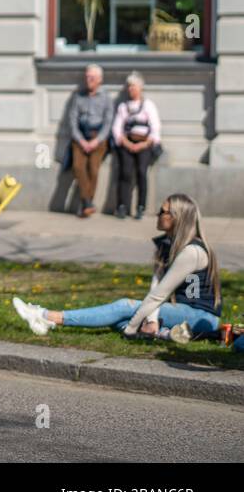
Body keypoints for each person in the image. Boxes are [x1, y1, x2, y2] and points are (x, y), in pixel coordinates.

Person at [13, 193, 221, 340]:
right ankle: (161, 333)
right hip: (180, 310)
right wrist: (152, 319)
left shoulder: (192, 251)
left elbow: (159, 295)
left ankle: (47, 317)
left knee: (124, 307)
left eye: (162, 211)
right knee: (115, 318)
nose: (157, 214)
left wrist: (131, 328)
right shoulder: (167, 245)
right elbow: (155, 287)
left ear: (176, 217)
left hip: (200, 316)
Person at [112, 71, 161, 221]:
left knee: (141, 172)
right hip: (127, 144)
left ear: (141, 88)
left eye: (134, 86)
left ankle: (141, 207)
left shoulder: (148, 105)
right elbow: (116, 128)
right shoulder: (123, 107)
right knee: (125, 173)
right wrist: (126, 143)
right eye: (129, 87)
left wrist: (143, 144)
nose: (131, 89)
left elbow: (155, 127)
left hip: (144, 143)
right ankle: (122, 206)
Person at [67, 63, 113, 218]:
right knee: (78, 167)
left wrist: (96, 141)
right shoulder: (78, 96)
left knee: (93, 169)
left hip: (98, 137)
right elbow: (72, 121)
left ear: (100, 79)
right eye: (86, 77)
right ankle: (87, 202)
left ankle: (87, 202)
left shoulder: (106, 98)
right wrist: (81, 140)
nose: (88, 80)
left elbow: (108, 123)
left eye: (92, 77)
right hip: (80, 137)